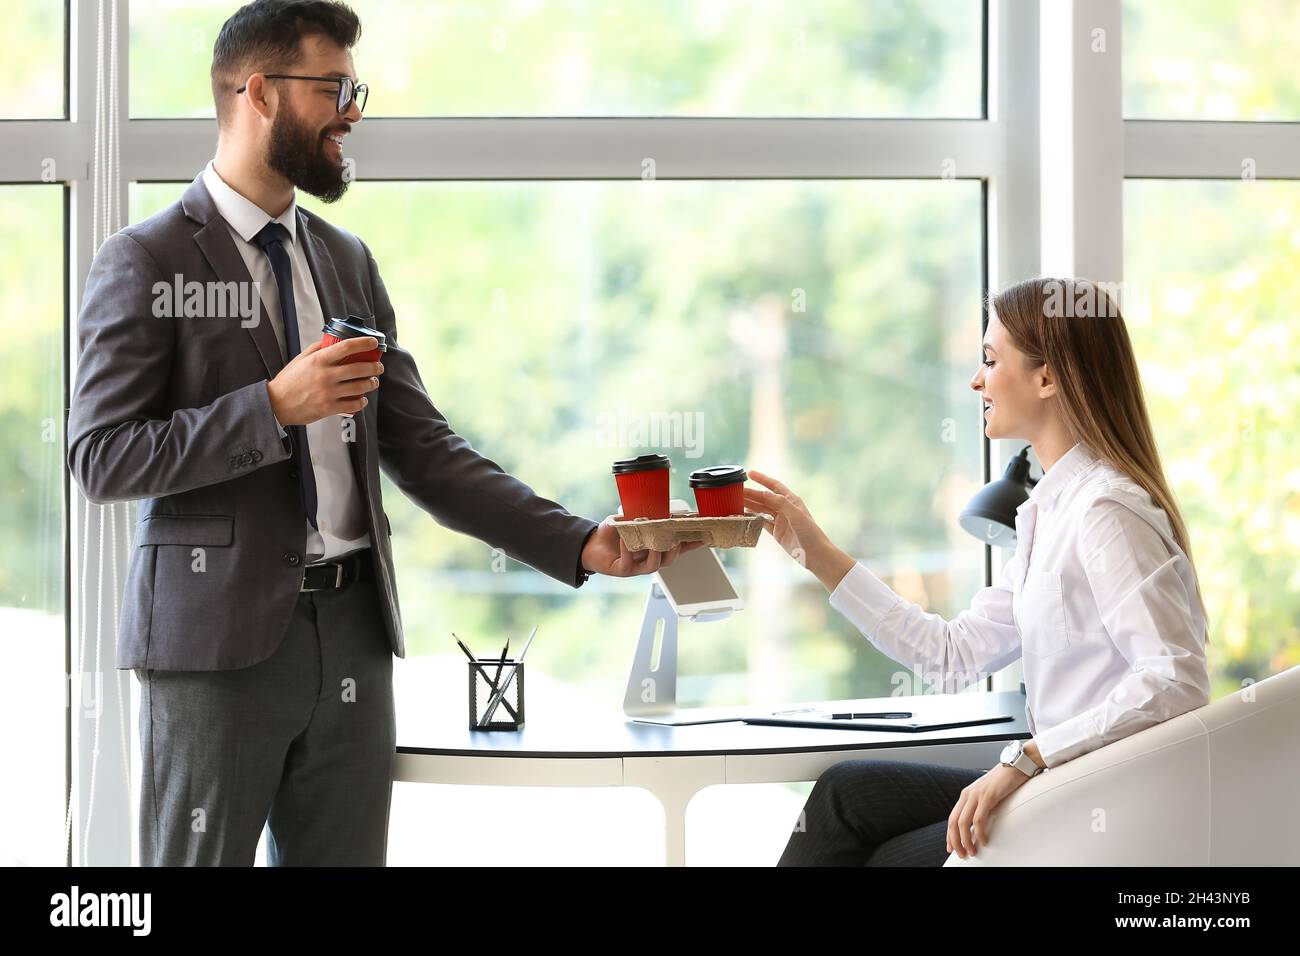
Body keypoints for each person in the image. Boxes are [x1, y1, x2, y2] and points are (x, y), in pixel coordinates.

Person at [67, 0, 695, 866]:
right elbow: (99, 457)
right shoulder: (146, 260)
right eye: (333, 87)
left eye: (354, 87)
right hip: (216, 655)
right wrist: (273, 406)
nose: (353, 111)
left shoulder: (346, 260)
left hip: (356, 637)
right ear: (259, 93)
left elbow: (424, 451)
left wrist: (582, 543)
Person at [746, 277, 1211, 866]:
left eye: (990, 361)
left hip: (1091, 797)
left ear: (1048, 377)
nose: (976, 381)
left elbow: (1177, 680)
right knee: (847, 794)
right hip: (1057, 780)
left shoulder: (1107, 513)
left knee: (883, 859)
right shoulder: (1050, 509)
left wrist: (1027, 760)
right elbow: (951, 655)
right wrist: (811, 548)